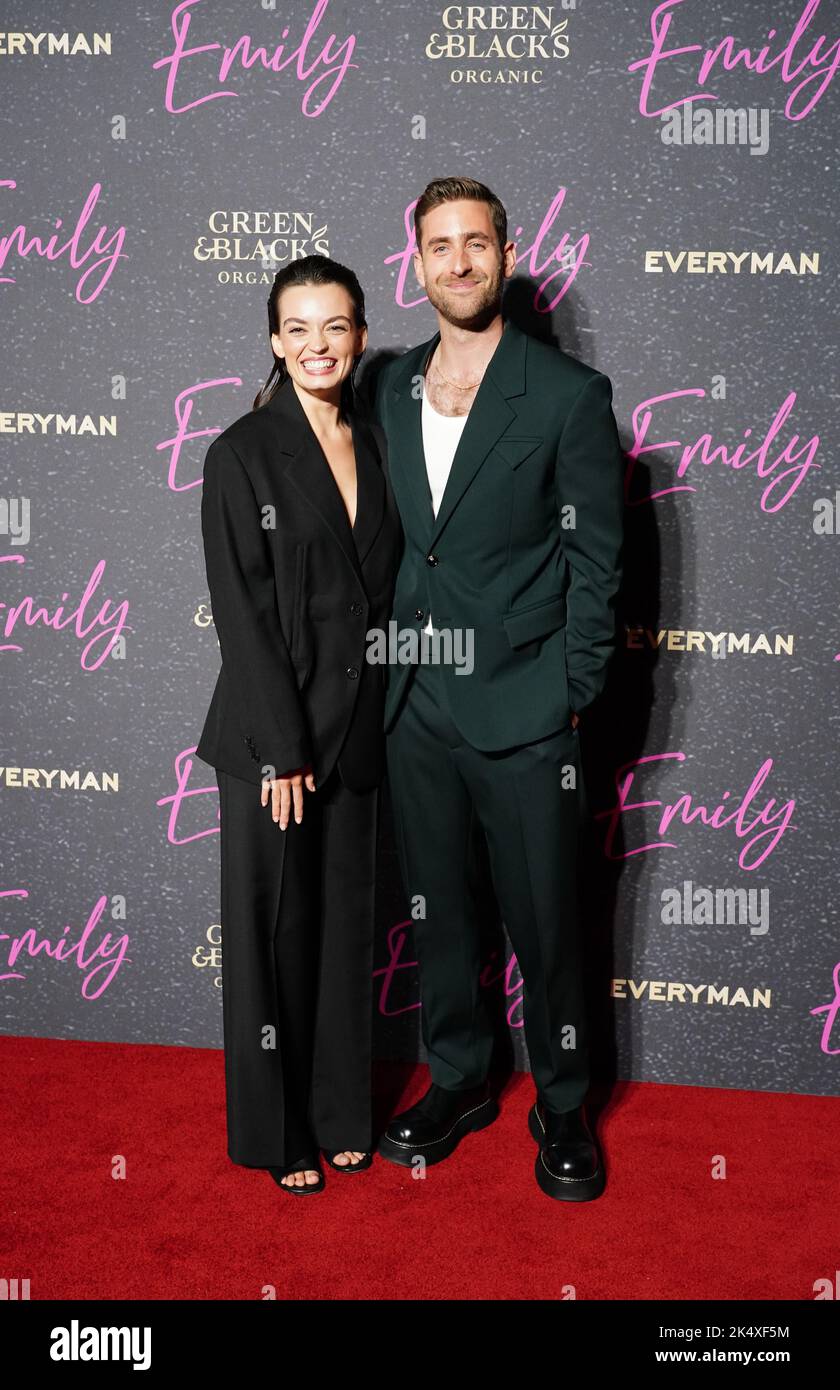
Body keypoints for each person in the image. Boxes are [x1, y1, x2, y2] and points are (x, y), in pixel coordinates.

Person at [370, 177, 624, 1201]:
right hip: (414, 703)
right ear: (417, 261)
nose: (460, 261)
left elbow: (598, 563)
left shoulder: (566, 395)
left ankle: (563, 1105)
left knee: (548, 922)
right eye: (441, 245)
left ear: (508, 256)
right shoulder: (386, 385)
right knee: (438, 916)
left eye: (478, 242)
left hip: (524, 707)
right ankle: (464, 1079)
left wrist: (571, 689)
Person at [196, 255, 401, 1194]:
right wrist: (282, 748)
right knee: (274, 935)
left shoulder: (379, 441)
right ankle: (278, 1134)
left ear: (359, 335)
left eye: (337, 326)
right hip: (271, 743)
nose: (319, 345)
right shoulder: (240, 451)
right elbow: (240, 610)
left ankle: (340, 1114)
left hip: (356, 731)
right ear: (276, 341)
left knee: (342, 933)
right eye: (299, 328)